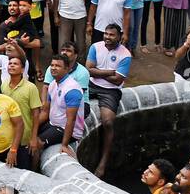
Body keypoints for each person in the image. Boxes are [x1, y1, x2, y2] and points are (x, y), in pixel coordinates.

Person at [85, 24, 130, 177]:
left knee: (108, 122)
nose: (107, 37)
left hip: (111, 91)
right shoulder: (95, 47)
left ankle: (103, 161)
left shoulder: (125, 54)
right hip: (91, 85)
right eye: (106, 34)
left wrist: (97, 72)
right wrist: (110, 72)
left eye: (111, 35)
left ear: (119, 36)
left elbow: (118, 81)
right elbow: (88, 70)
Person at [38, 54, 84, 156]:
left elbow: (71, 120)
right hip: (53, 124)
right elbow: (45, 111)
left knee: (37, 143)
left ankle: (33, 170)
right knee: (30, 136)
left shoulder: (72, 89)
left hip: (66, 129)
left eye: (57, 66)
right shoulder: (53, 84)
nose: (53, 68)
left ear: (67, 68)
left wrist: (64, 145)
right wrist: (32, 126)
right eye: (52, 65)